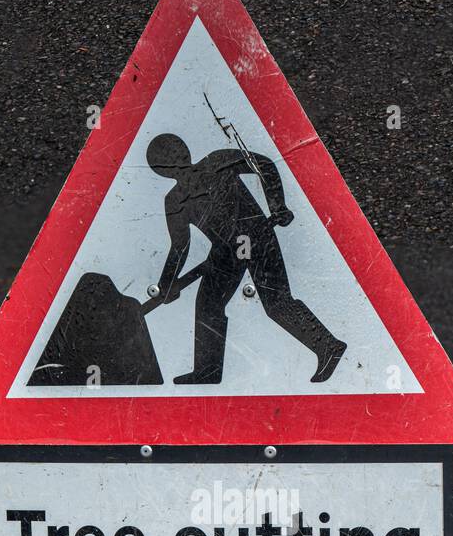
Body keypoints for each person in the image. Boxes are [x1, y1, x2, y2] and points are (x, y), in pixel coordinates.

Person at [147, 133, 346, 384]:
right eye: (168, 159)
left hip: (257, 235)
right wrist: (166, 284)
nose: (176, 161)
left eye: (174, 154)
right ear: (162, 171)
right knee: (208, 307)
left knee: (276, 302)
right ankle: (207, 372)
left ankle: (329, 346)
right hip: (224, 252)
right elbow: (179, 246)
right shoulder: (175, 200)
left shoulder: (216, 162)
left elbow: (262, 164)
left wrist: (277, 206)